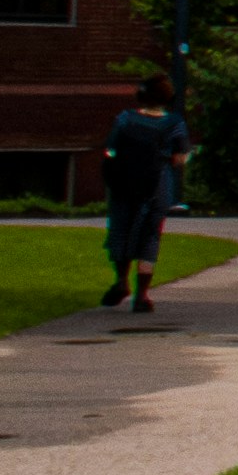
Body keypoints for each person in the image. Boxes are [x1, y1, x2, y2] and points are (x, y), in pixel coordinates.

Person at [100, 77, 195, 315]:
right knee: (150, 235)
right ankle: (142, 295)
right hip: (157, 185)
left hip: (124, 184)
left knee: (121, 229)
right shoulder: (174, 123)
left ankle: (121, 280)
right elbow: (181, 156)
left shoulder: (125, 119)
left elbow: (111, 149)